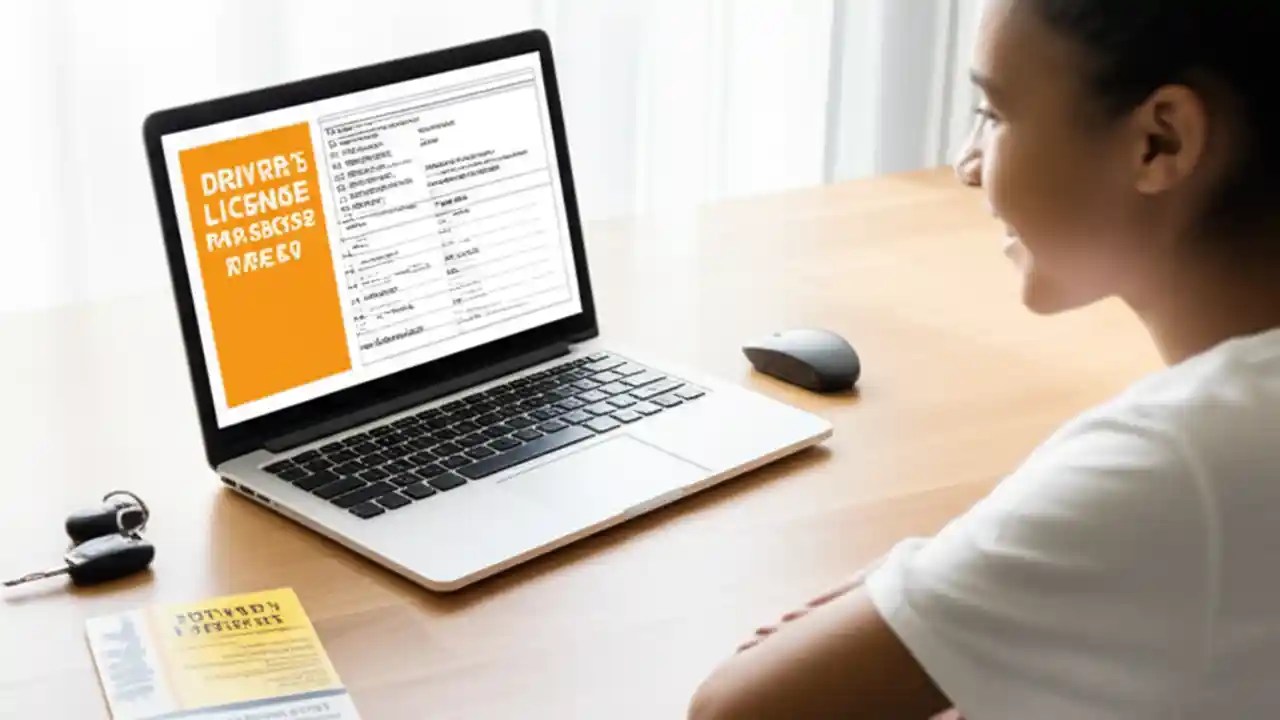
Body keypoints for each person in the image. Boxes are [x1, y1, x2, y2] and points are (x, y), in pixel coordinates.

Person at [688, 0, 1280, 717]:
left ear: (1160, 141)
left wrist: (920, 578)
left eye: (993, 114)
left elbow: (735, 710)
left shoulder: (1180, 463)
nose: (966, 165)